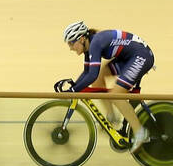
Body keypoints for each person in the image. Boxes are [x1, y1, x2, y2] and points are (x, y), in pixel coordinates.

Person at [62, 21, 153, 154]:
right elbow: (88, 72)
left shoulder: (95, 43)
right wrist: (74, 86)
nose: (70, 47)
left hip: (141, 56)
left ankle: (140, 132)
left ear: (81, 39)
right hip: (128, 58)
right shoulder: (89, 45)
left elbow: (91, 75)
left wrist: (73, 91)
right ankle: (112, 117)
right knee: (100, 77)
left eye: (71, 43)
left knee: (116, 95)